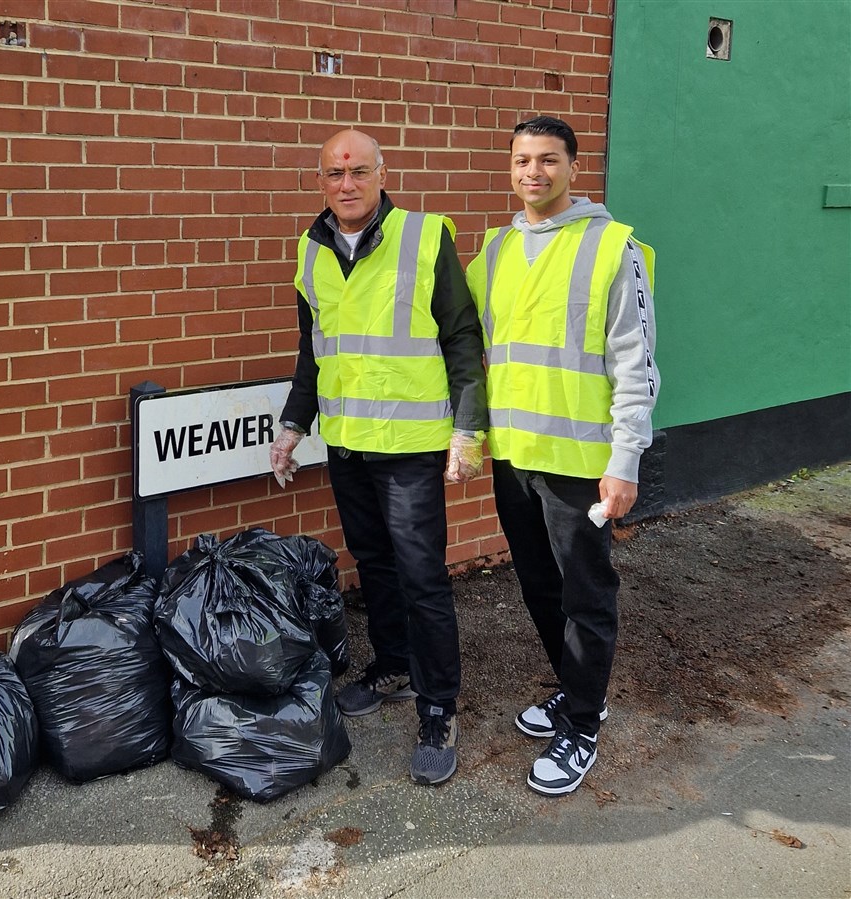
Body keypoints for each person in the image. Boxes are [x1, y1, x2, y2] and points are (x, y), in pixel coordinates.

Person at [269, 128, 488, 786]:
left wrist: (467, 429)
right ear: (319, 182)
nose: (346, 183)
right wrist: (291, 424)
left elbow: (461, 336)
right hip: (347, 446)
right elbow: (314, 355)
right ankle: (392, 666)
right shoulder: (309, 253)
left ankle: (439, 705)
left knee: (421, 576)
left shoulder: (424, 238)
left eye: (358, 170)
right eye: (334, 173)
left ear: (380, 173)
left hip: (411, 447)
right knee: (372, 564)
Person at [465, 115, 659, 796]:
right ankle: (582, 692)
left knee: (586, 593)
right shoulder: (490, 250)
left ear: (573, 168)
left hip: (582, 462)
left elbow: (636, 363)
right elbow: (466, 345)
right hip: (514, 455)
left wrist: (625, 459)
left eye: (547, 159)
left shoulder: (613, 247)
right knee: (538, 586)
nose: (532, 173)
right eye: (521, 160)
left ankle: (581, 725)